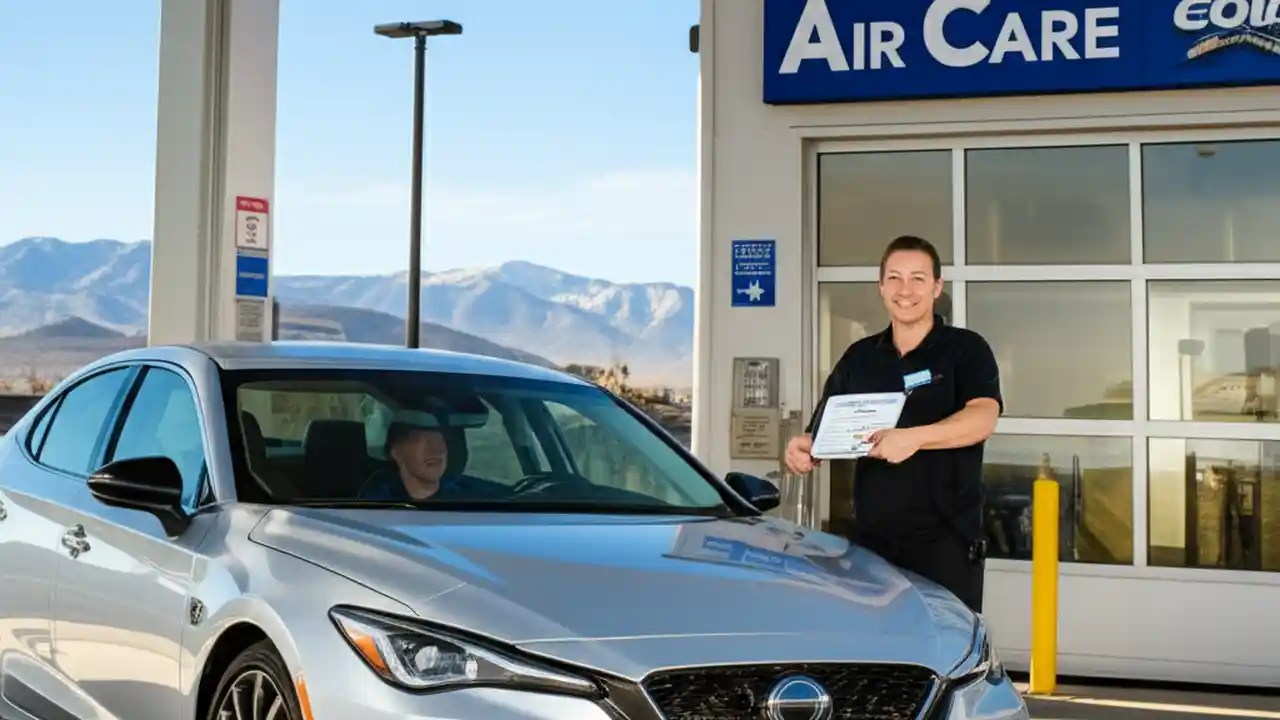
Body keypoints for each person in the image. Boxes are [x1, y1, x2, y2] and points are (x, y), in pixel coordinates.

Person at [785, 235, 1002, 612]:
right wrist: (803, 446)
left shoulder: (966, 350)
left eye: (918, 278)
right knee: (879, 652)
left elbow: (983, 417)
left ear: (937, 286)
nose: (906, 290)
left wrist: (914, 439)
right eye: (895, 278)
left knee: (943, 649)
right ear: (881, 287)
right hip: (872, 548)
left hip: (946, 545)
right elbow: (825, 430)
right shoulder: (859, 358)